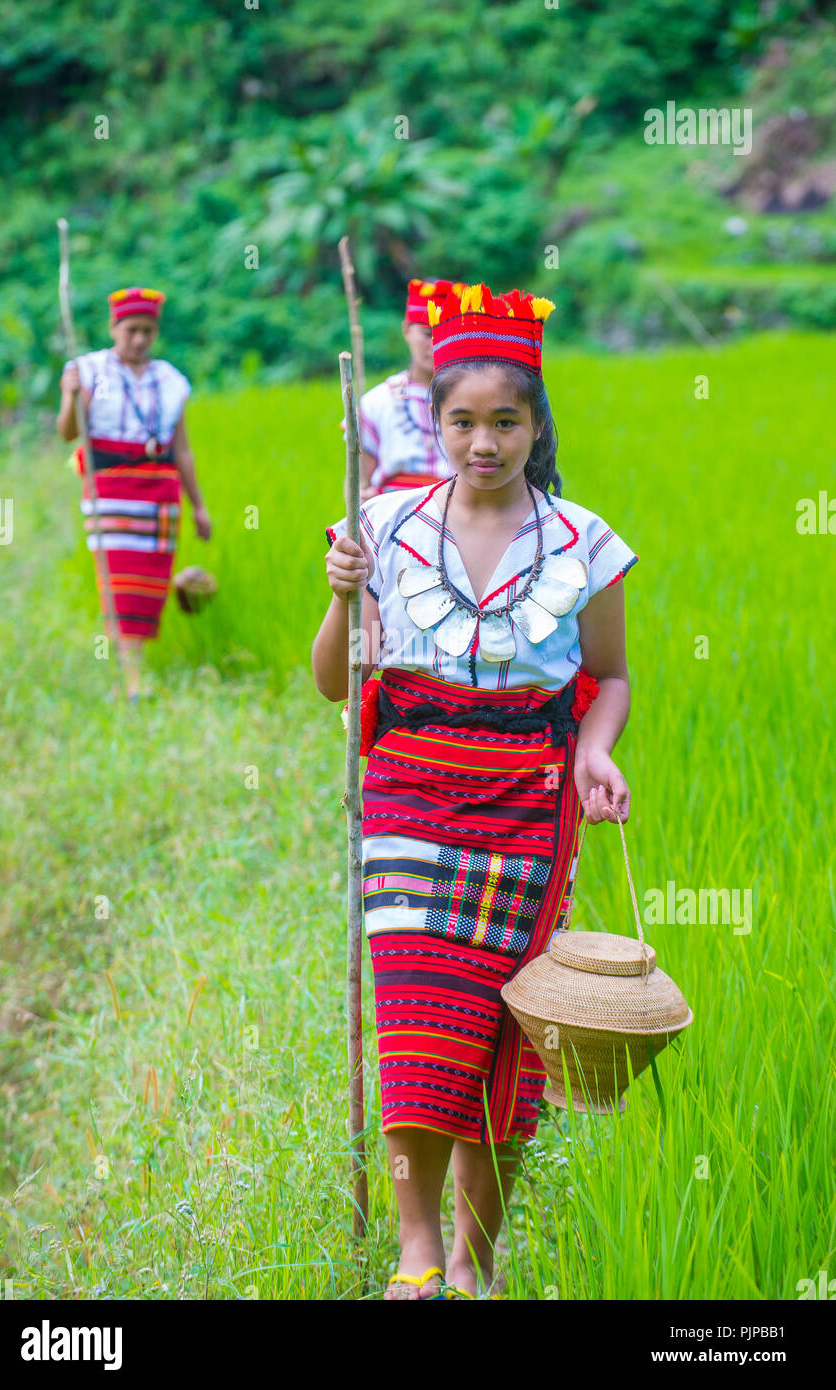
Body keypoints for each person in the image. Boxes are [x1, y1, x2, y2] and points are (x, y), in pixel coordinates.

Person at [313, 282, 639, 1301]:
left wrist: (594, 748)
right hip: (409, 794)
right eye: (462, 420)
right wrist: (336, 593)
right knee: (418, 1018)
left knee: (504, 1032)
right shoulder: (381, 525)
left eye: (505, 420)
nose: (482, 441)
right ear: (433, 419)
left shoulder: (583, 539)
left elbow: (611, 676)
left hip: (527, 803)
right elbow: (333, 681)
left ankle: (474, 1259)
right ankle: (417, 1248)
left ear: (536, 423)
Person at [56, 286, 211, 700]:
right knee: (120, 577)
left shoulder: (170, 380)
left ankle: (135, 667)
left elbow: (182, 449)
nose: (139, 339)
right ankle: (133, 679)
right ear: (114, 327)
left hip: (161, 493)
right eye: (131, 330)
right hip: (110, 491)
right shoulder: (87, 370)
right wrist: (72, 395)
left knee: (151, 580)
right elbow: (68, 431)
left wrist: (199, 506)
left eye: (147, 330)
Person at [354, 278, 462, 503]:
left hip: (457, 518)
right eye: (426, 333)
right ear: (406, 330)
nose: (436, 343)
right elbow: (357, 483)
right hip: (391, 521)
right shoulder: (377, 401)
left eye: (445, 332)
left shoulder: (476, 400)